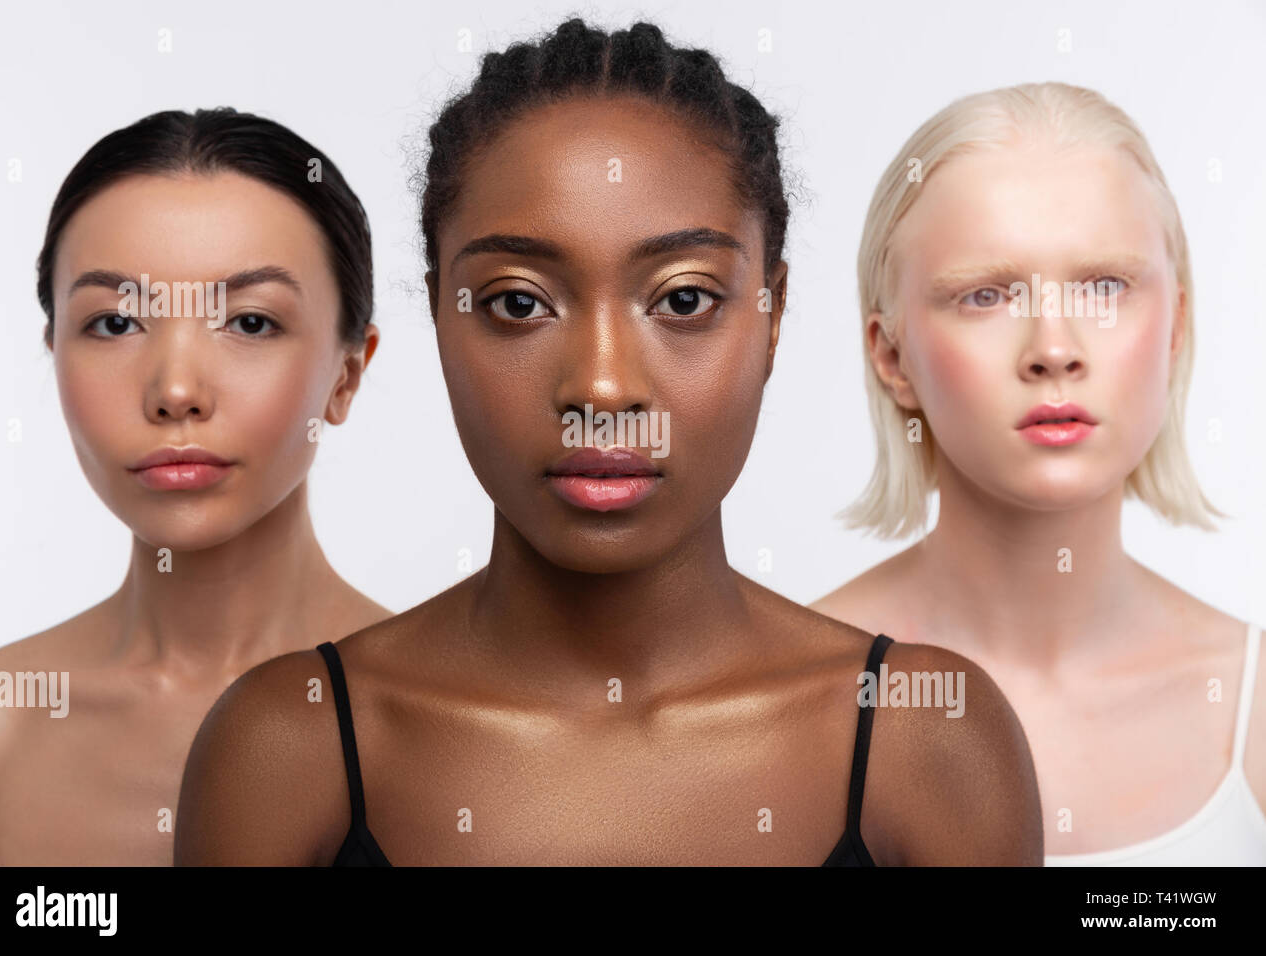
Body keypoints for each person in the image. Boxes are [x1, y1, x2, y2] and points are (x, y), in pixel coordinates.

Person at [177, 19, 1041, 866]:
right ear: (440, 310)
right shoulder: (288, 746)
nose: (601, 386)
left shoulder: (927, 737)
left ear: (772, 316)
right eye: (519, 302)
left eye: (683, 299)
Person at [811, 82, 1266, 864]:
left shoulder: (1253, 710)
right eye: (985, 294)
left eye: (1104, 286)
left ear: (1177, 326)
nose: (1054, 348)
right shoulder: (789, 701)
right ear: (892, 357)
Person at [0, 108, 390, 865]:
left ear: (346, 374)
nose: (176, 390)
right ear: (53, 349)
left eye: (251, 322)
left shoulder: (463, 712)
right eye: (115, 323)